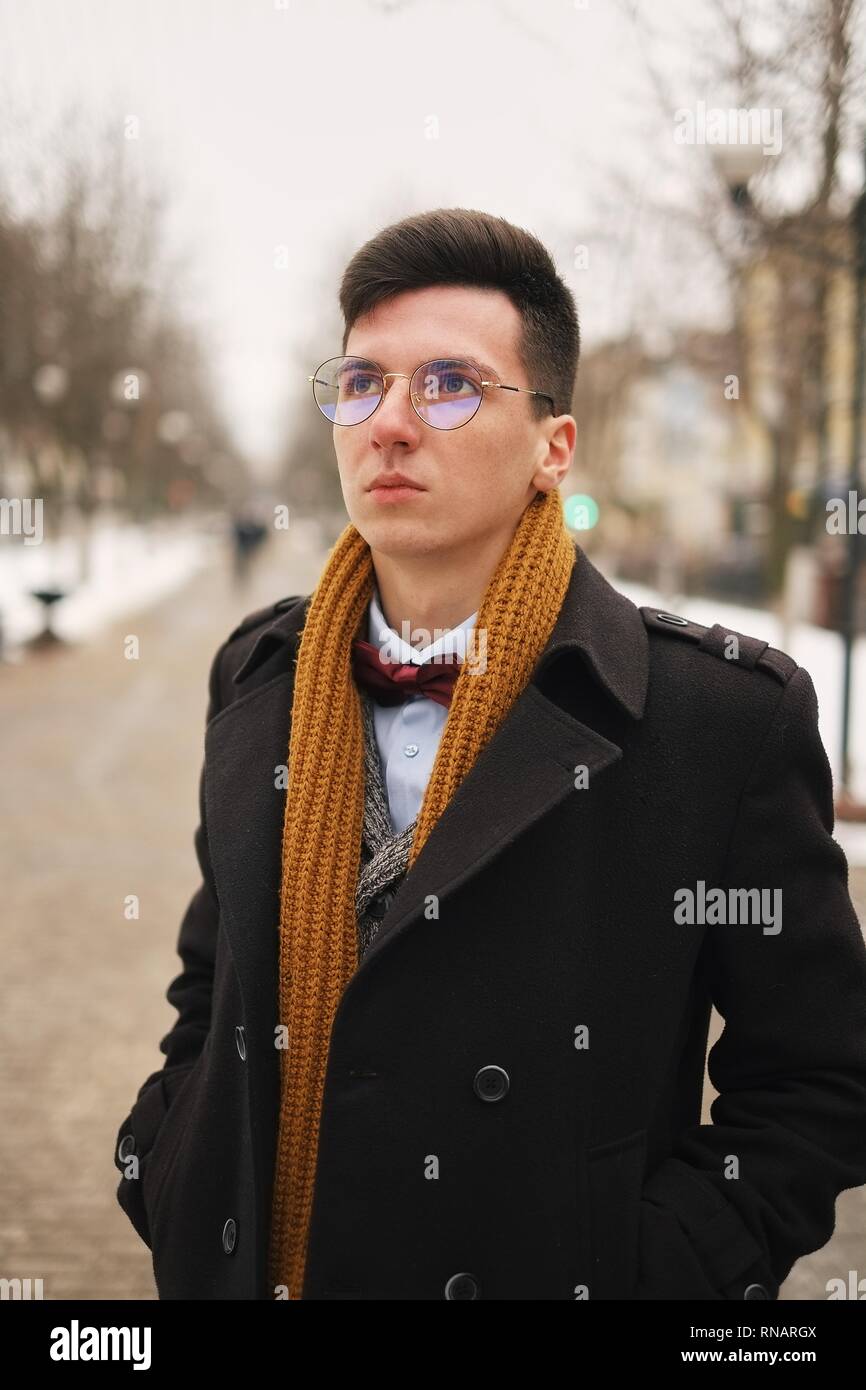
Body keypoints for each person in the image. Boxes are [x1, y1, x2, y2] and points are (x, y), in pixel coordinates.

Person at [114, 206, 866, 1301]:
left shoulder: (715, 719)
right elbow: (212, 986)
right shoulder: (258, 680)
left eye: (450, 384)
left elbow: (813, 1077)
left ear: (551, 448)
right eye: (361, 382)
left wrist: (653, 1265)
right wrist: (171, 1162)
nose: (390, 423)